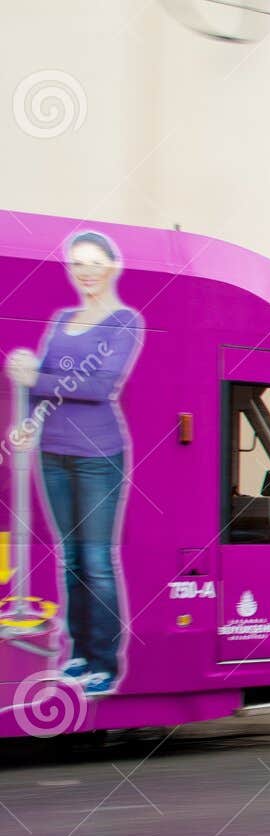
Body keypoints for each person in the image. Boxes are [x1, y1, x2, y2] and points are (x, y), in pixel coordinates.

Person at [4, 231, 143, 694]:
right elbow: (41, 386)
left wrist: (35, 376)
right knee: (70, 561)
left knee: (97, 559)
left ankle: (106, 659)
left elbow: (99, 386)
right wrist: (27, 421)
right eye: (76, 263)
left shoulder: (124, 322)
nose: (85, 271)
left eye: (94, 262)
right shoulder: (62, 318)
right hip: (53, 453)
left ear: (111, 267)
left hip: (99, 456)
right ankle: (80, 654)